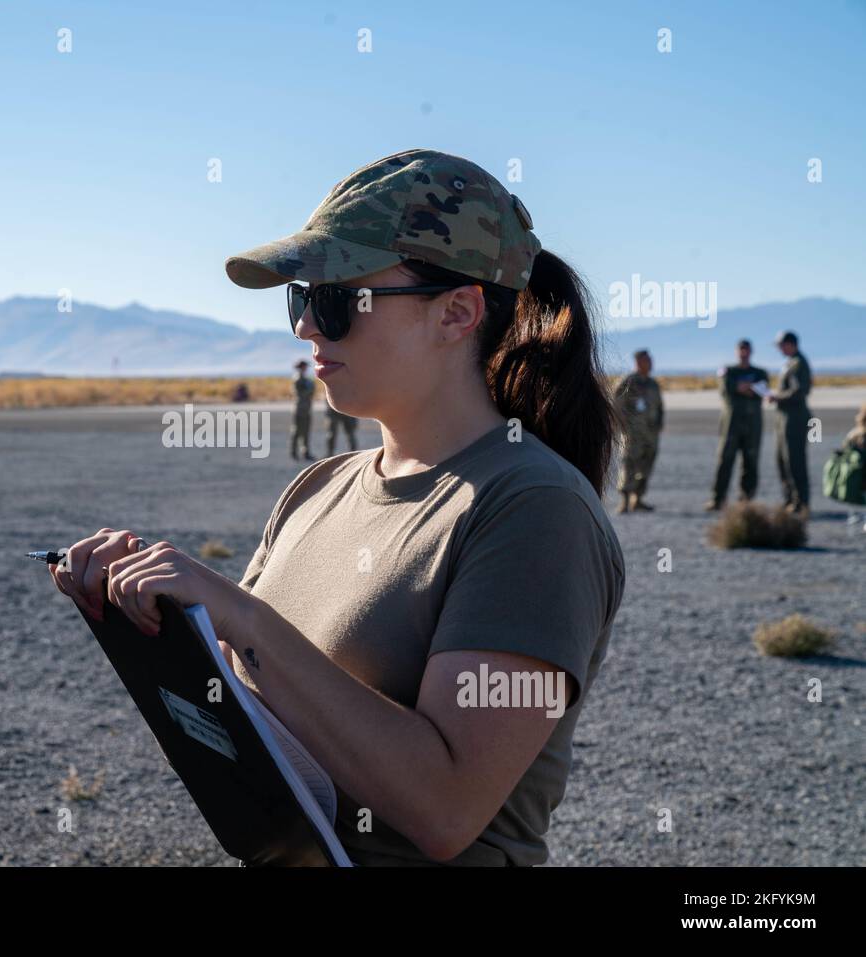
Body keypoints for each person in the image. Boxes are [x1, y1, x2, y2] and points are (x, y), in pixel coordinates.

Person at [49, 148, 624, 867]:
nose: (306, 330)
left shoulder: (535, 510)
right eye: (301, 300)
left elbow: (446, 806)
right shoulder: (317, 490)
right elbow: (252, 728)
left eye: (335, 301)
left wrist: (241, 615)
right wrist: (149, 621)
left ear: (456, 312)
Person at [705, 338, 768, 511]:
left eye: (746, 349)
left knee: (751, 462)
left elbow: (762, 390)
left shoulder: (760, 372)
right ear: (736, 351)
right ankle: (718, 499)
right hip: (731, 425)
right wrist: (746, 388)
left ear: (751, 351)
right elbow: (728, 389)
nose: (744, 352)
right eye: (741, 349)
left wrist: (744, 388)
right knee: (725, 460)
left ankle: (746, 500)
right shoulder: (728, 371)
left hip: (752, 425)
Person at [766, 330, 813, 518]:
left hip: (795, 419)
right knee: (782, 461)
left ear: (790, 344)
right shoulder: (790, 363)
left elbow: (800, 391)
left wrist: (777, 397)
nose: (779, 349)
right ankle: (790, 500)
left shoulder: (799, 364)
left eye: (781, 345)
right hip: (783, 418)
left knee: (795, 461)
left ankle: (801, 502)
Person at [612, 349, 663, 513]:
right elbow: (617, 405)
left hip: (650, 434)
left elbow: (660, 406)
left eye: (650, 360)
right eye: (647, 360)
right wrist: (623, 426)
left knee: (646, 465)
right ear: (638, 362)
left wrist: (660, 423)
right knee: (629, 464)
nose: (650, 363)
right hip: (632, 434)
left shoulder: (652, 384)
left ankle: (638, 499)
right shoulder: (628, 382)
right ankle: (625, 501)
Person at [290, 359, 315, 460]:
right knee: (297, 431)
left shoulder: (305, 379)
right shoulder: (298, 379)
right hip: (300, 409)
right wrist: (310, 389)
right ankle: (294, 452)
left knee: (306, 431)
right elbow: (301, 393)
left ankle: (305, 452)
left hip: (306, 408)